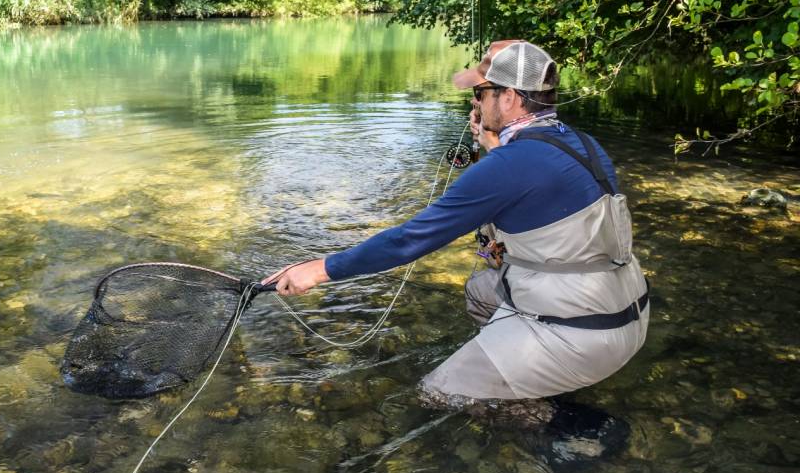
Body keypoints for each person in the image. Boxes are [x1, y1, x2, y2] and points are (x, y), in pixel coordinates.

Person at [263, 39, 649, 408]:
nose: (475, 102)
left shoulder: (509, 167)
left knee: (438, 393)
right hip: (626, 311)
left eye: (481, 93)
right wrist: (495, 147)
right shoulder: (583, 143)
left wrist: (319, 270)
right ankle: (523, 375)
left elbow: (408, 241)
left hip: (586, 335)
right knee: (482, 291)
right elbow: (536, 209)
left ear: (509, 98)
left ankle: (564, 424)